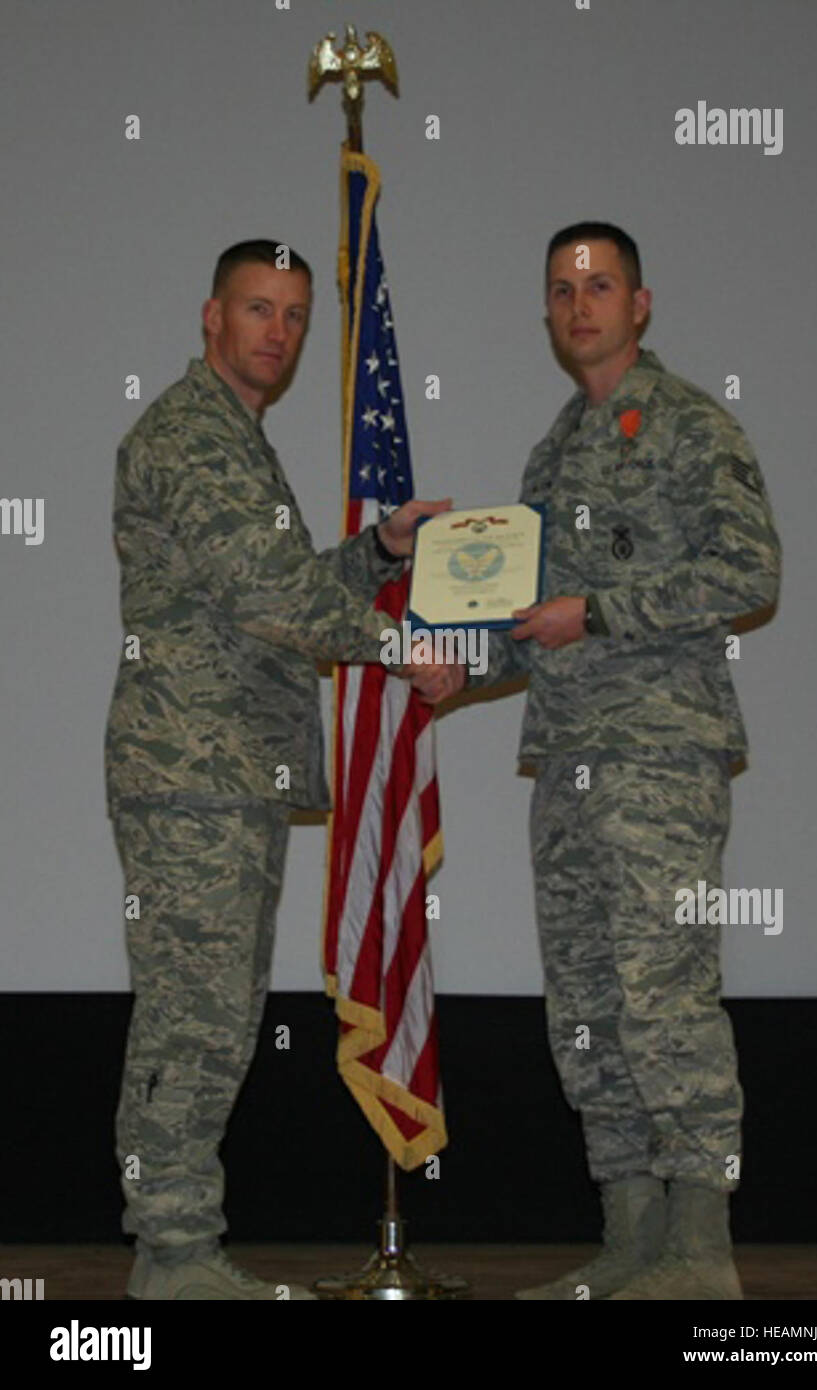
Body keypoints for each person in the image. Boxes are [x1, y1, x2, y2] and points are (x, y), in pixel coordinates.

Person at [427, 222, 781, 1300]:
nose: (579, 305)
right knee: (586, 1003)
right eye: (560, 290)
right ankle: (631, 1237)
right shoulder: (554, 449)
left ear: (640, 303)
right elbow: (535, 617)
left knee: (663, 993)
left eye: (598, 285)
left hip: (657, 759)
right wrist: (463, 664)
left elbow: (749, 569)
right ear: (548, 315)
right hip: (571, 764)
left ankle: (700, 1253)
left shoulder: (689, 426)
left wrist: (606, 609)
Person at [105, 240, 448, 1300]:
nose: (278, 332)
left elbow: (288, 583)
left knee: (215, 1013)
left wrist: (383, 550)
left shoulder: (239, 442)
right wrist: (396, 644)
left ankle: (183, 1246)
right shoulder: (189, 435)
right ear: (211, 316)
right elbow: (272, 598)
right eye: (258, 308)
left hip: (228, 773)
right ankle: (169, 1254)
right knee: (191, 1015)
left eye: (295, 315)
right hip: (191, 770)